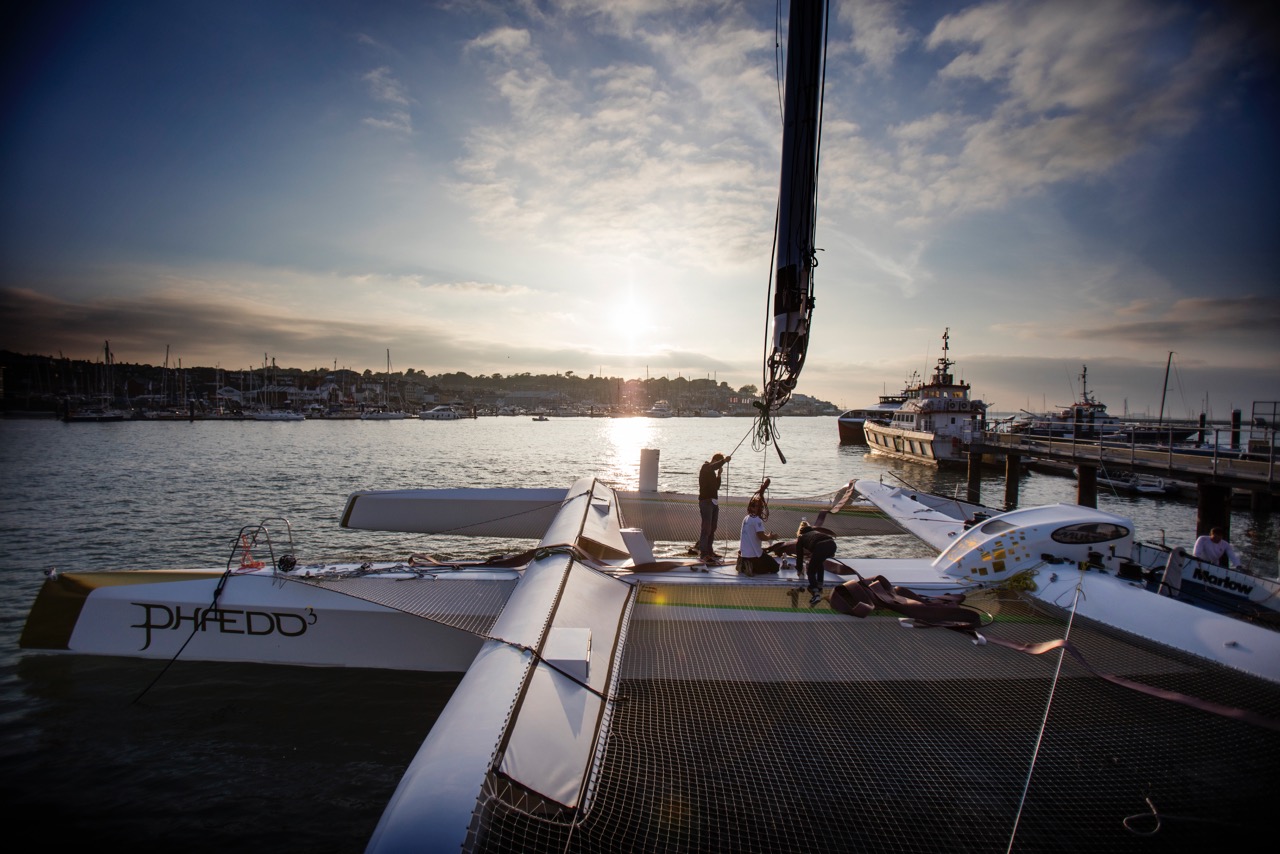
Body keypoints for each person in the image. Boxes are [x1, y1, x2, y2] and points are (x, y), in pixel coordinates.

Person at [791, 520, 836, 605]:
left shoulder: (801, 537)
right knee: (819, 563)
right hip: (832, 544)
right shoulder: (815, 533)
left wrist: (799, 569)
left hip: (820, 547)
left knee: (810, 572)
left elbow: (799, 556)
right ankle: (820, 586)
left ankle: (816, 594)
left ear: (800, 531)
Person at [696, 452, 731, 562]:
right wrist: (724, 461)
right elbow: (713, 466)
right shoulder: (706, 467)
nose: (718, 466)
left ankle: (710, 551)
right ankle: (704, 553)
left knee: (712, 528)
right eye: (718, 462)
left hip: (714, 502)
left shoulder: (712, 472)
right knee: (706, 528)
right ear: (715, 460)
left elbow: (717, 487)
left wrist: (719, 475)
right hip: (706, 501)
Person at [738, 497, 778, 576]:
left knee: (764, 556)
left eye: (761, 507)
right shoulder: (757, 519)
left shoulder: (746, 518)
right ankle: (752, 567)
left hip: (744, 554)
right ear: (751, 508)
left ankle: (744, 564)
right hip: (754, 555)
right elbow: (761, 537)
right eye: (757, 506)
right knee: (775, 567)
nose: (760, 509)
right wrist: (770, 537)